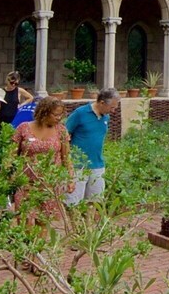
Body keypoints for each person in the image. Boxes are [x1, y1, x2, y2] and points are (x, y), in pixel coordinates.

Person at [13, 97, 71, 225]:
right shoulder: (23, 128)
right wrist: (9, 176)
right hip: (26, 184)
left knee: (44, 222)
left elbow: (66, 157)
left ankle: (41, 239)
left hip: (49, 185)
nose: (59, 118)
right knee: (24, 220)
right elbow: (11, 156)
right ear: (44, 112)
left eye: (61, 114)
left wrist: (70, 179)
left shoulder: (61, 131)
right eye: (55, 114)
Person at [64, 89, 117, 205]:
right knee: (73, 204)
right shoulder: (80, 113)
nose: (113, 111)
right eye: (112, 107)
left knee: (96, 203)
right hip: (78, 165)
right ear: (102, 103)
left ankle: (90, 218)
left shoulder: (106, 117)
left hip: (98, 165)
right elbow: (64, 134)